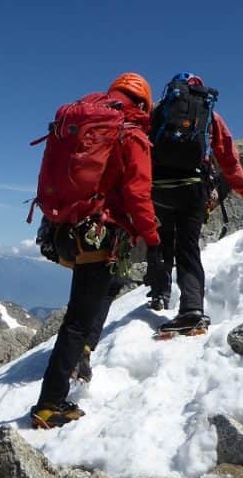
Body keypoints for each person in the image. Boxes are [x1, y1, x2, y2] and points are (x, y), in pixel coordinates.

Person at [32, 74, 160, 428]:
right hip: (101, 233)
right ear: (145, 104)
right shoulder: (130, 133)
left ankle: (54, 396)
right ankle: (49, 403)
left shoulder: (84, 121)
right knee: (77, 322)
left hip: (68, 229)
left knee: (80, 314)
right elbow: (138, 194)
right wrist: (153, 241)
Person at [146, 72, 243, 334]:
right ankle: (191, 309)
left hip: (159, 190)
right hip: (193, 189)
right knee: (188, 247)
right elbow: (229, 162)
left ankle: (158, 293)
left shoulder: (158, 112)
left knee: (159, 238)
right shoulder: (210, 117)